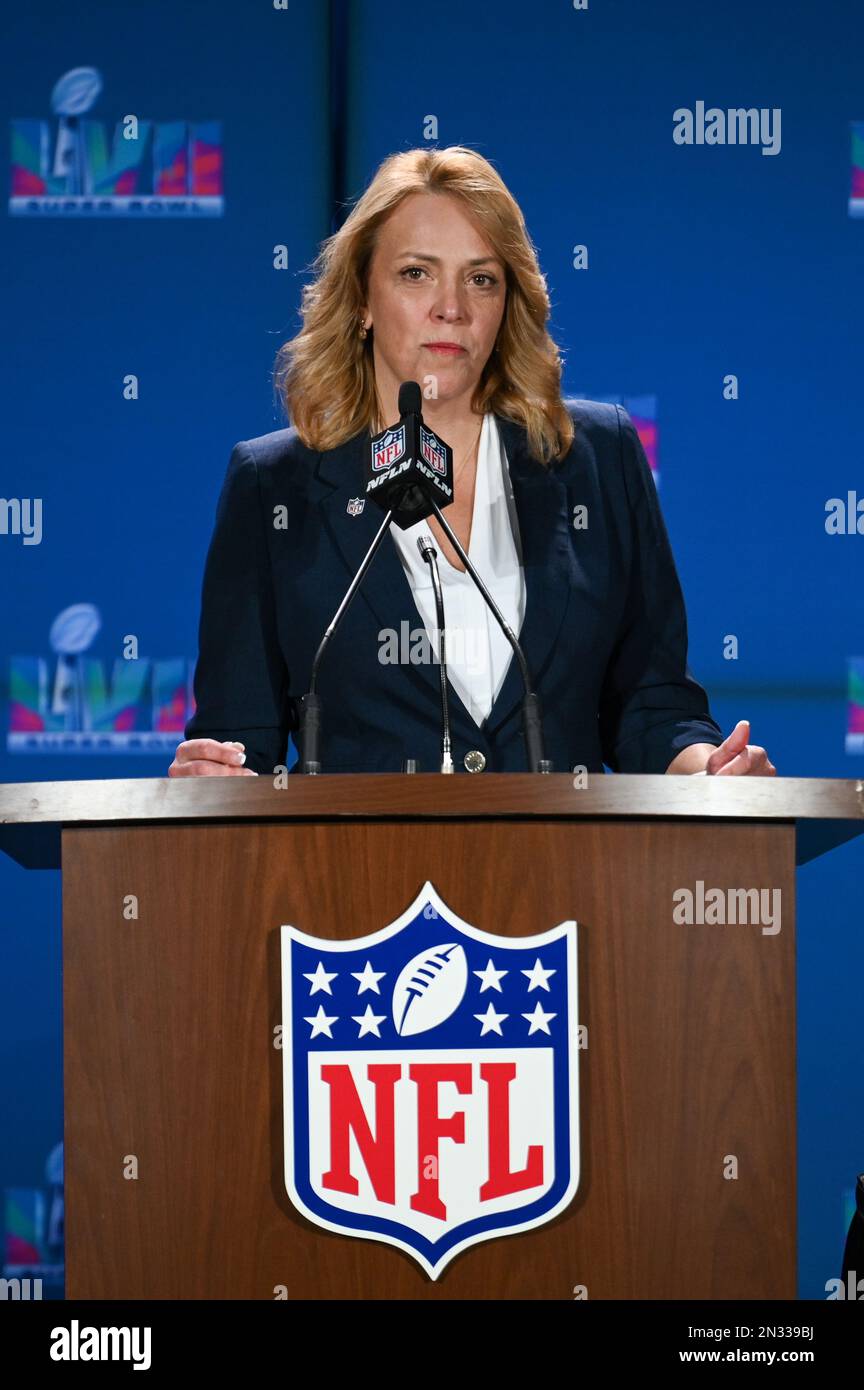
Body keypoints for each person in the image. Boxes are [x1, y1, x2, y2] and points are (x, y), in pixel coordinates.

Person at [169, 146, 775, 779]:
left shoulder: (598, 457)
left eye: (480, 278)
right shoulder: (274, 488)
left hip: (565, 871)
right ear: (362, 300)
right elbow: (240, 741)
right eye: (416, 274)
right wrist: (216, 775)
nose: (450, 307)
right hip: (358, 873)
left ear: (506, 302)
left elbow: (652, 708)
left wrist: (710, 770)